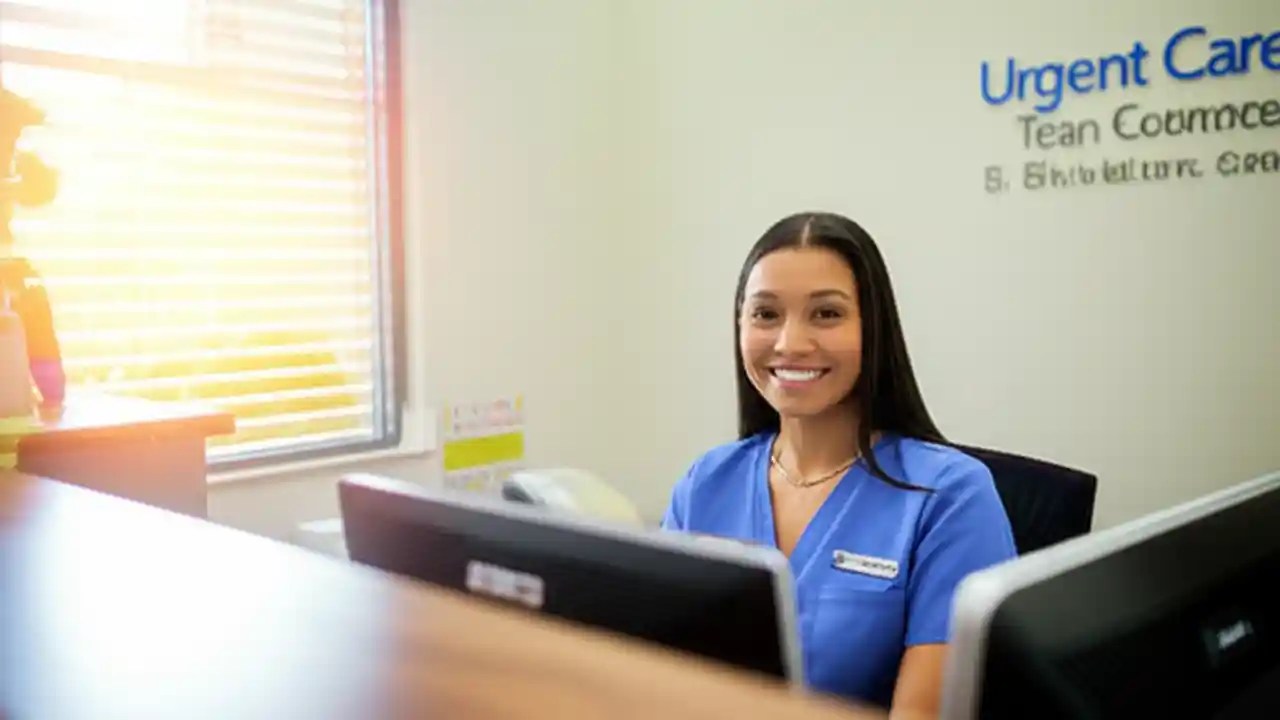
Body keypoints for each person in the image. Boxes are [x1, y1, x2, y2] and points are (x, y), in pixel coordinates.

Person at [661, 211, 1016, 717]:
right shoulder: (704, 484)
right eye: (766, 314)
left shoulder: (950, 496)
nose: (791, 343)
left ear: (874, 330)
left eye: (826, 314)